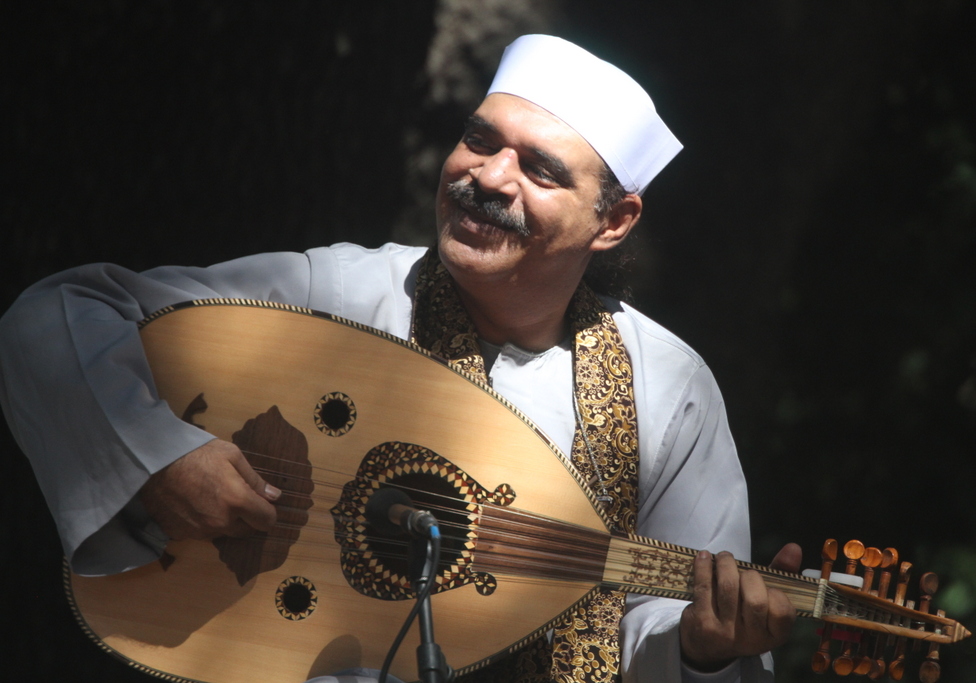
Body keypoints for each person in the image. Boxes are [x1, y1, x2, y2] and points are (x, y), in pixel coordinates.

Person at [0, 35, 799, 683]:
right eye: (480, 140)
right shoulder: (338, 293)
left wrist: (699, 648)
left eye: (540, 168)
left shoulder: (671, 388)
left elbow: (657, 624)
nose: (488, 177)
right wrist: (157, 456)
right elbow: (56, 314)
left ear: (615, 219)